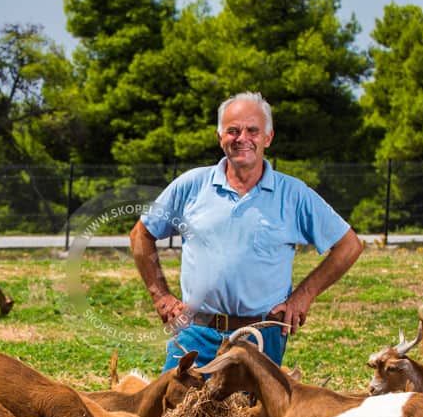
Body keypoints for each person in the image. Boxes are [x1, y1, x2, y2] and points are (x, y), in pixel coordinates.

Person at [130, 91, 363, 371]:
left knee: (252, 403)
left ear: (268, 137)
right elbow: (141, 235)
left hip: (260, 336)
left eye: (253, 130)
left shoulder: (293, 194)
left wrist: (304, 295)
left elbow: (349, 245)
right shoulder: (191, 185)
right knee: (175, 401)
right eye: (233, 131)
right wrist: (162, 297)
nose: (242, 138)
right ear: (220, 137)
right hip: (195, 332)